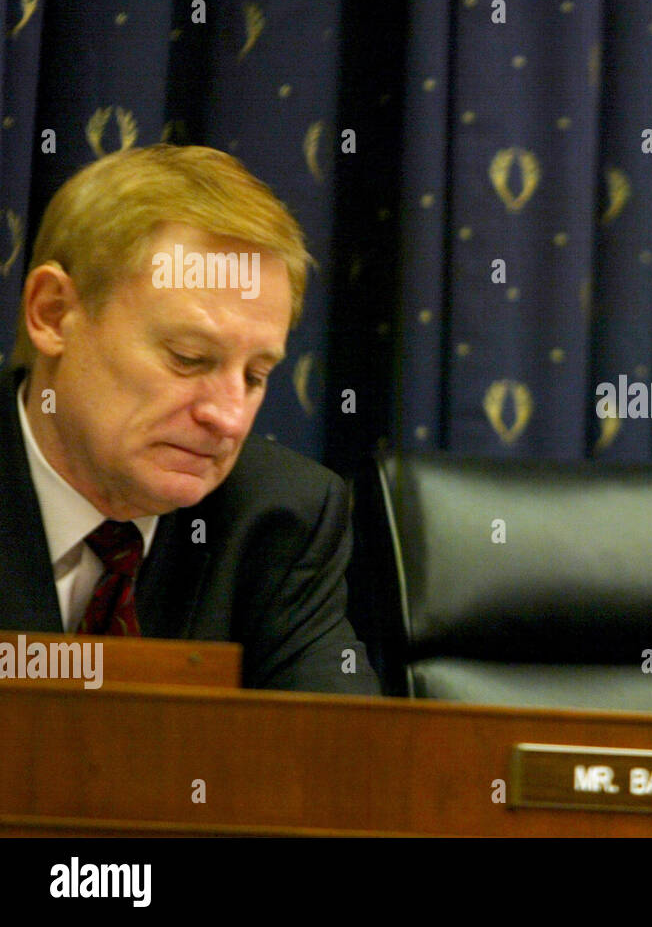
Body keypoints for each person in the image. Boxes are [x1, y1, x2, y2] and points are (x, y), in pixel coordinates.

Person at [0, 144, 379, 694]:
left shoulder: (277, 518)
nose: (227, 418)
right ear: (53, 313)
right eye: (188, 359)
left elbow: (336, 763)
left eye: (254, 377)